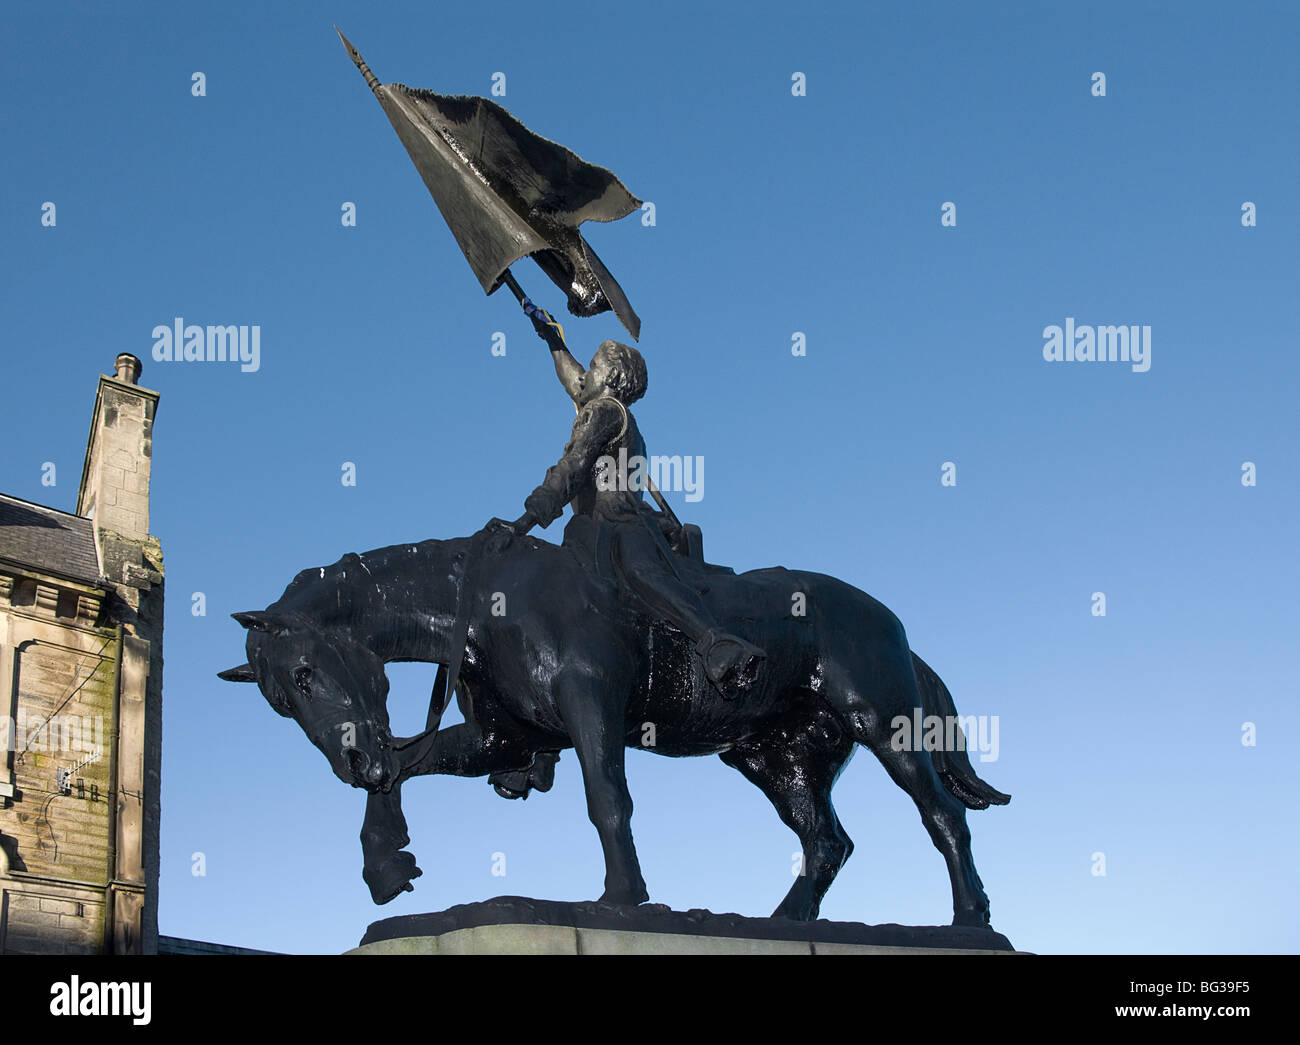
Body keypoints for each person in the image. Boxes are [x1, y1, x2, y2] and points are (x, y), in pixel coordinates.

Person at [504, 301, 765, 699]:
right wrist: (551, 336)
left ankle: (715, 642)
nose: (584, 375)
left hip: (622, 523)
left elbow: (573, 469)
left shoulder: (606, 411)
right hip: (598, 526)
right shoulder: (604, 404)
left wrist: (527, 518)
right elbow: (572, 379)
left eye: (593, 368)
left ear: (609, 379)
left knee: (642, 573)